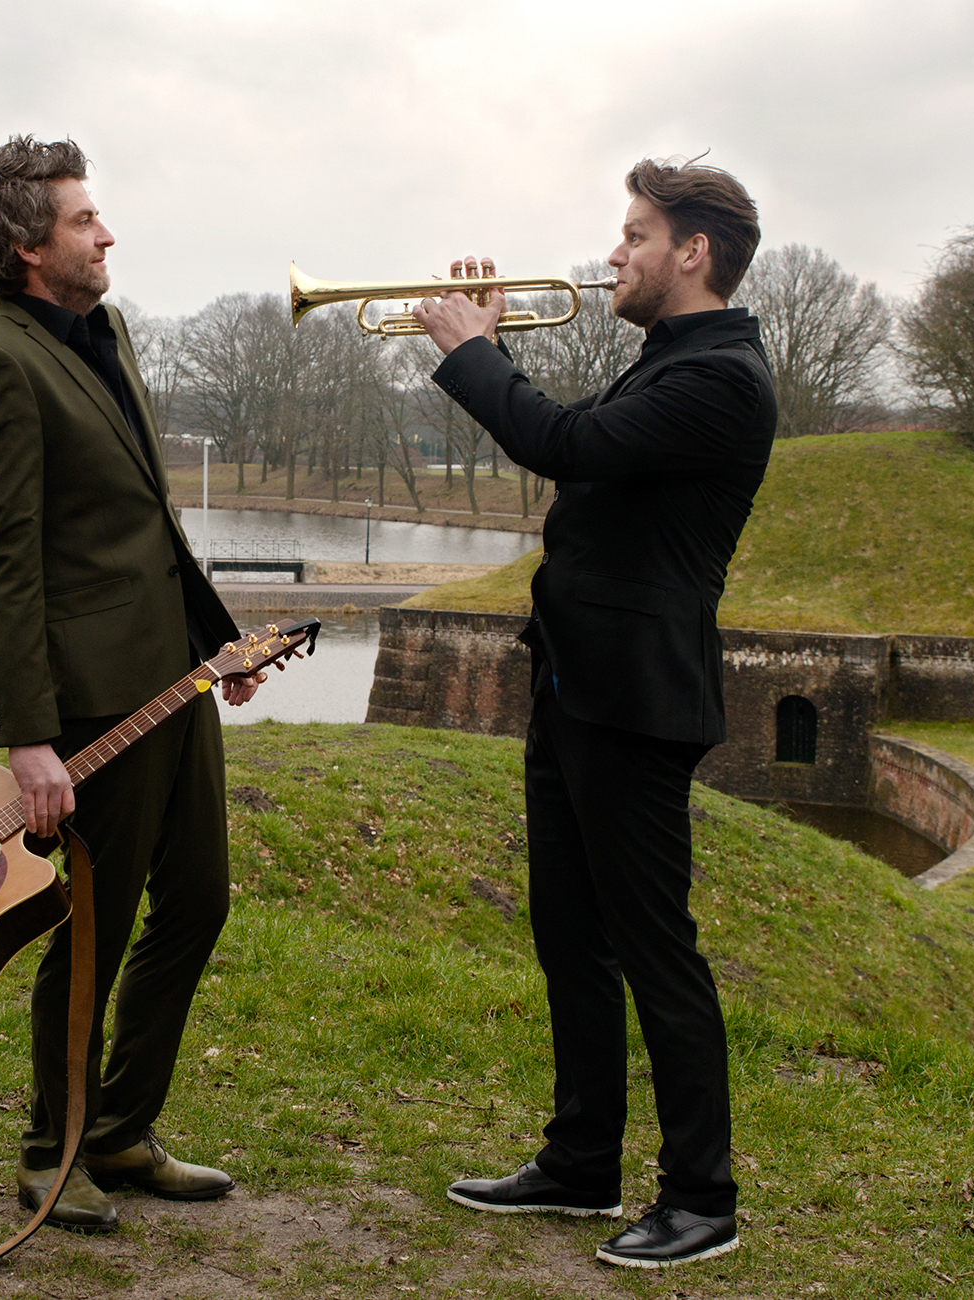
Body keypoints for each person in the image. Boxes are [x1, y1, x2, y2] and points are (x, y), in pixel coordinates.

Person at [411, 158, 776, 1268]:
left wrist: (467, 351)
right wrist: (497, 352)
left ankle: (699, 1195)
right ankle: (578, 1161)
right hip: (573, 689)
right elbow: (583, 447)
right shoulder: (664, 364)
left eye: (633, 235)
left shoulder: (721, 377)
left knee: (654, 948)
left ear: (691, 252)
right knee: (570, 937)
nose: (612, 255)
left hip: (634, 705)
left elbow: (559, 446)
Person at [0, 136, 264, 1232]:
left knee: (200, 901)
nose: (107, 231)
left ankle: (122, 1129)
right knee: (94, 926)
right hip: (89, 706)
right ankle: (53, 1147)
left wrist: (217, 646)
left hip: (173, 678)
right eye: (85, 219)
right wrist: (28, 736)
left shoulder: (103, 334)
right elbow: (9, 561)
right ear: (31, 246)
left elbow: (146, 523)